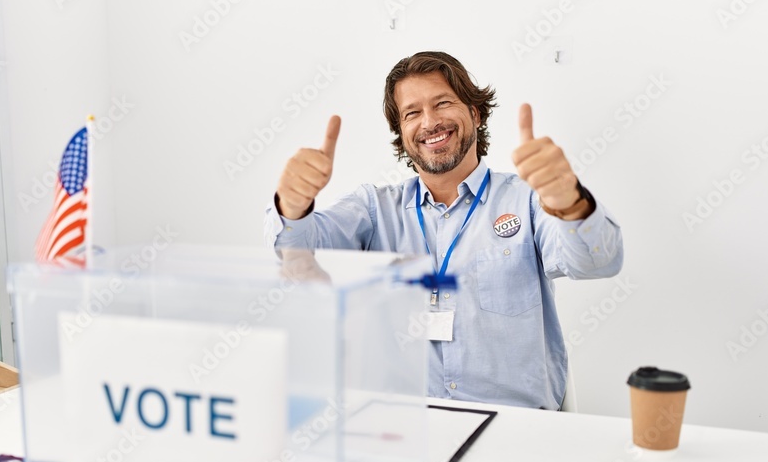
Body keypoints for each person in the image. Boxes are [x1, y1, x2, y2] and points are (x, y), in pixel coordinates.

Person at [264, 51, 623, 410]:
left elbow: (598, 261)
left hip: (514, 424)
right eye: (412, 113)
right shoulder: (373, 209)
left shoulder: (528, 199)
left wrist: (569, 202)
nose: (430, 122)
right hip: (403, 423)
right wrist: (293, 207)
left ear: (475, 113)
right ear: (401, 132)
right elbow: (297, 260)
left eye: (442, 103)